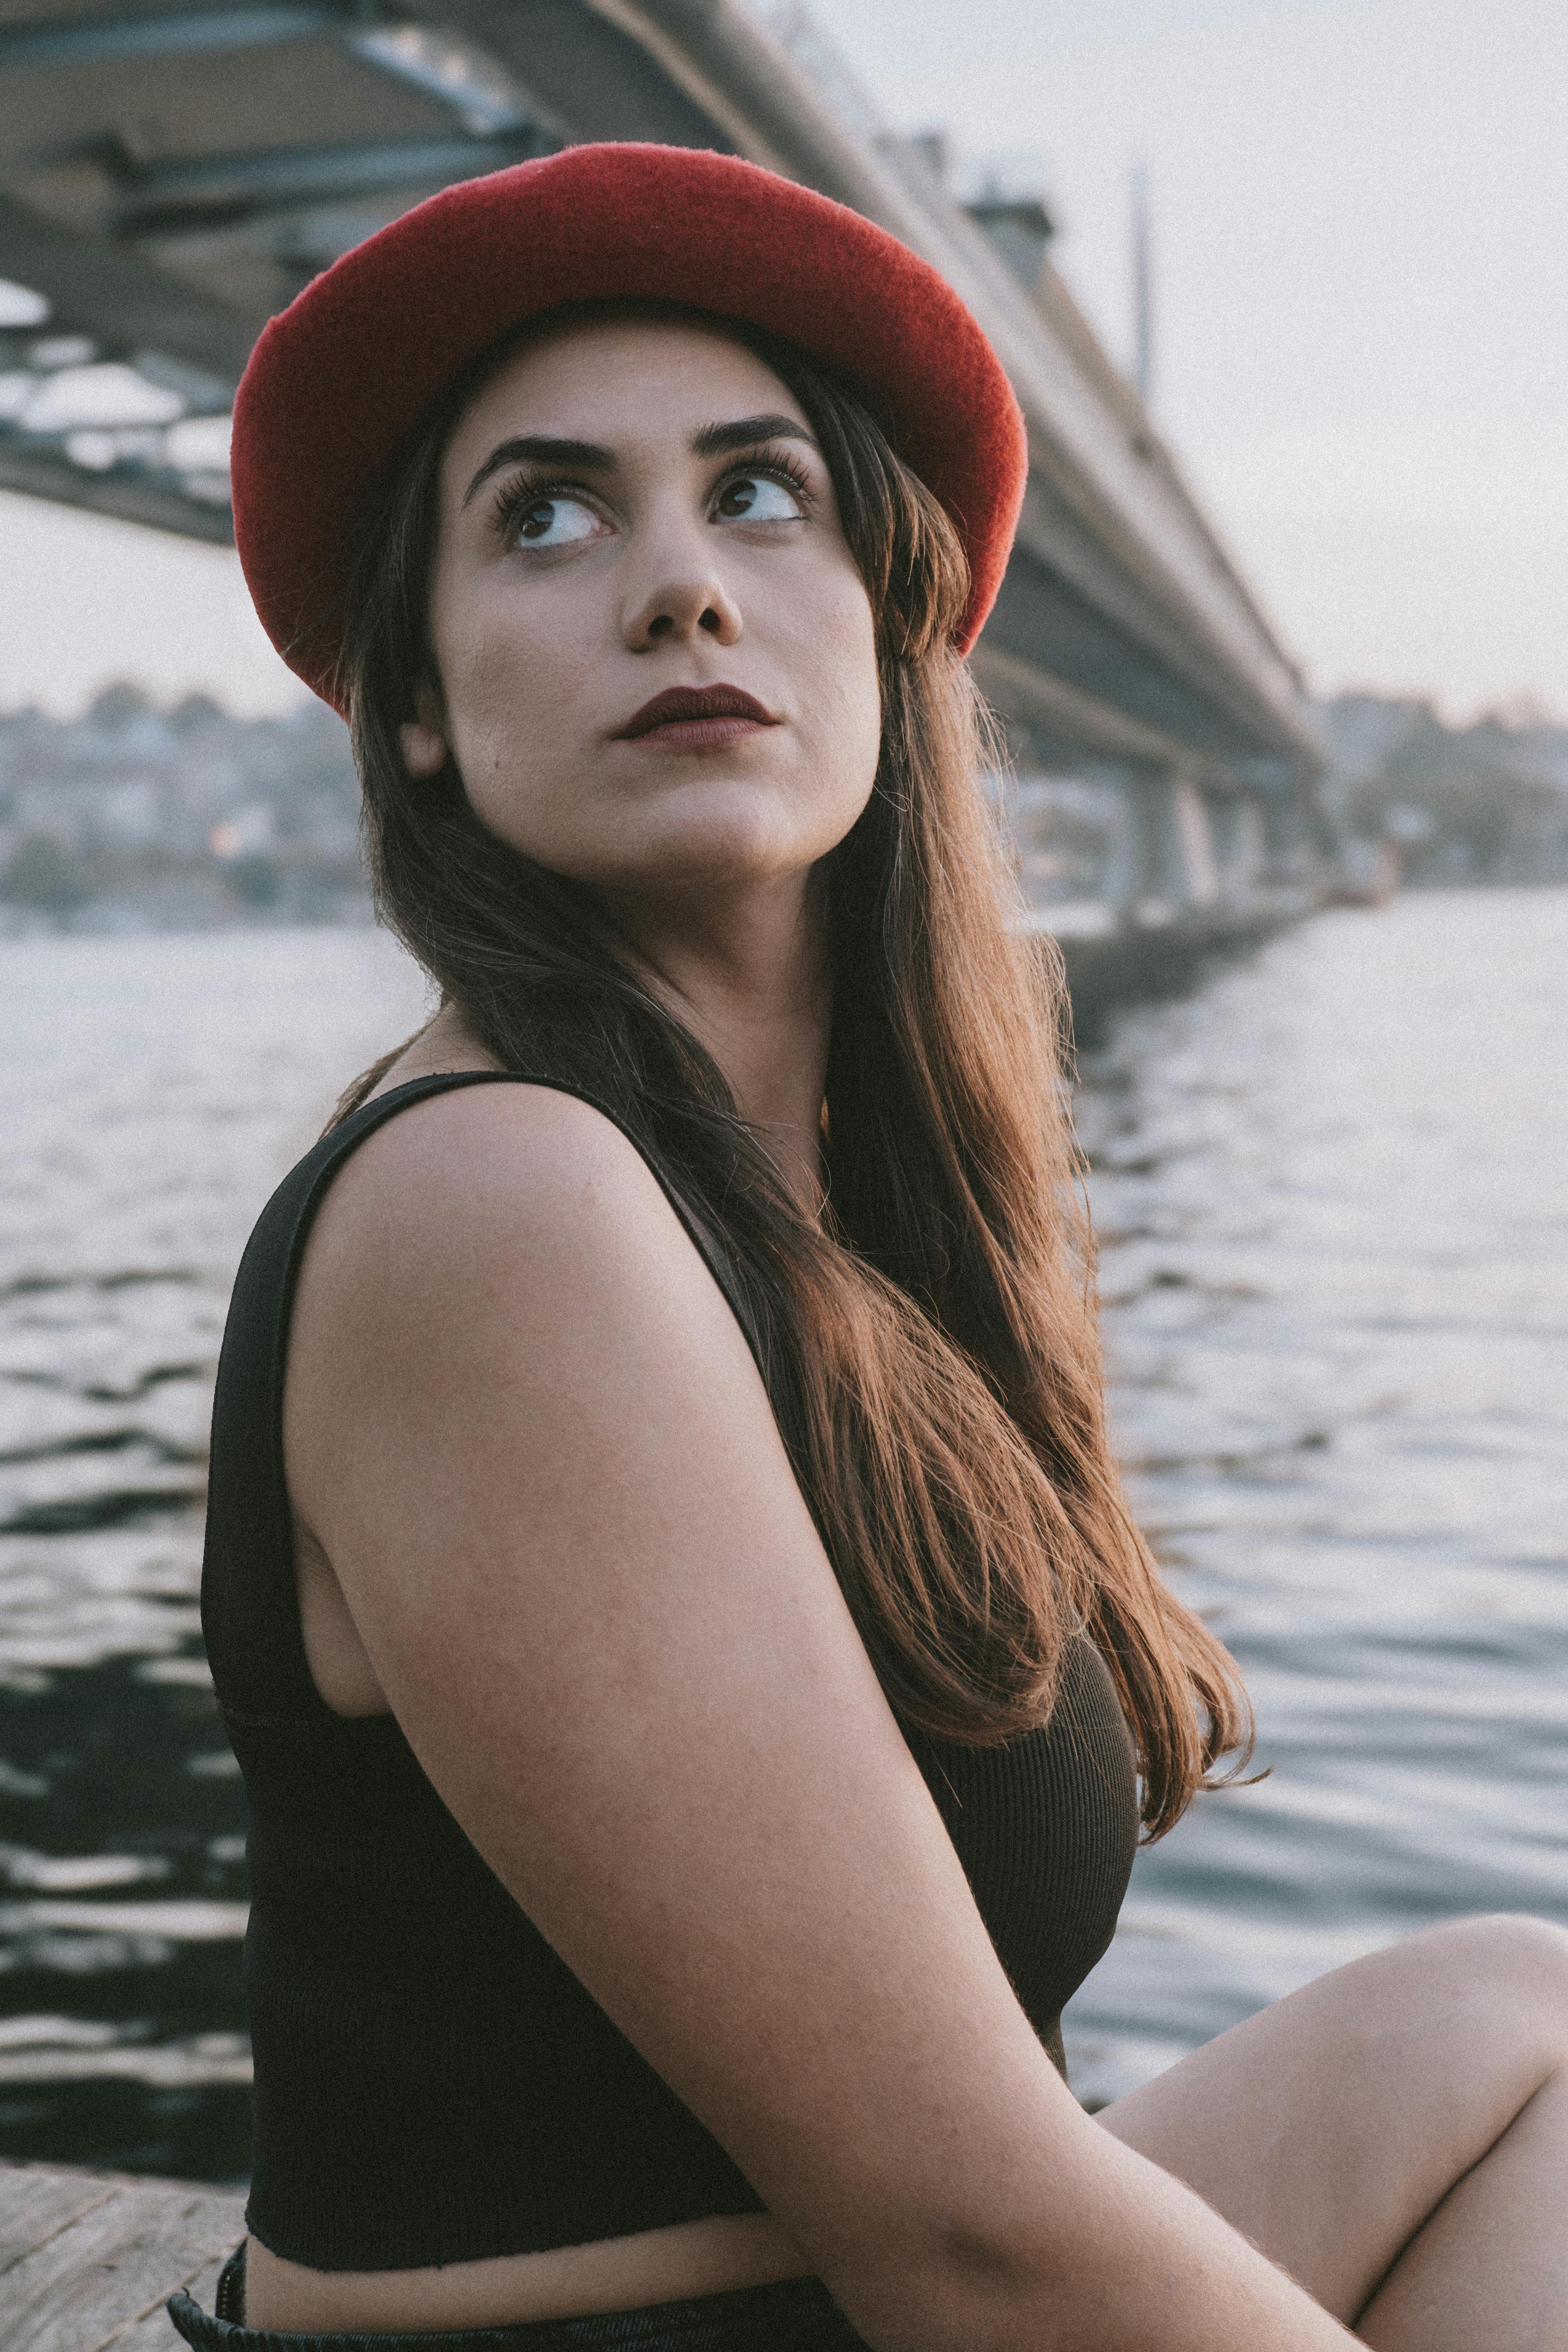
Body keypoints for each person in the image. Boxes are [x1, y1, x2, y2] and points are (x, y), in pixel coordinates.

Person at [170, 144, 1567, 2352]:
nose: (679, 591)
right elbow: (973, 2236)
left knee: (1526, 2021)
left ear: (896, 629)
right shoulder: (494, 1202)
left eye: (762, 499)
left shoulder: (831, 1219)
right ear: (411, 704)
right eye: (546, 514)